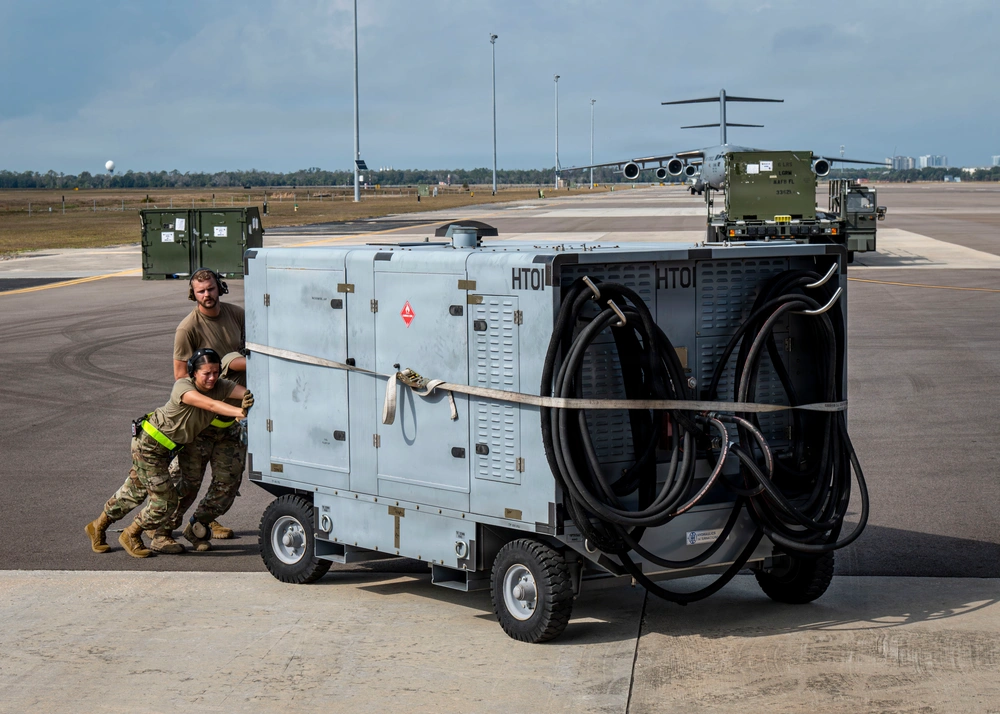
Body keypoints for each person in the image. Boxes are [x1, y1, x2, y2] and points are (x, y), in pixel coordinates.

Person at [85, 349, 252, 557]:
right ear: (193, 373)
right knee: (165, 500)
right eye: (206, 373)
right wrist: (240, 411)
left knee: (133, 492)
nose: (212, 378)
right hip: (149, 445)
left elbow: (243, 392)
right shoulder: (183, 387)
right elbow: (210, 404)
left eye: (216, 372)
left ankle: (97, 526)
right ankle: (131, 534)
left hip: (169, 448)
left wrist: (249, 398)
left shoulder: (220, 386)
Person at [168, 268, 247, 542]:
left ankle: (201, 522)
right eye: (201, 291)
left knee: (228, 478)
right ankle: (160, 528)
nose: (207, 295)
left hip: (232, 417)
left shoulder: (237, 315)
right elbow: (180, 377)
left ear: (220, 288)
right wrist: (211, 393)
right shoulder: (187, 329)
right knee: (186, 483)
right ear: (193, 294)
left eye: (211, 289)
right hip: (202, 420)